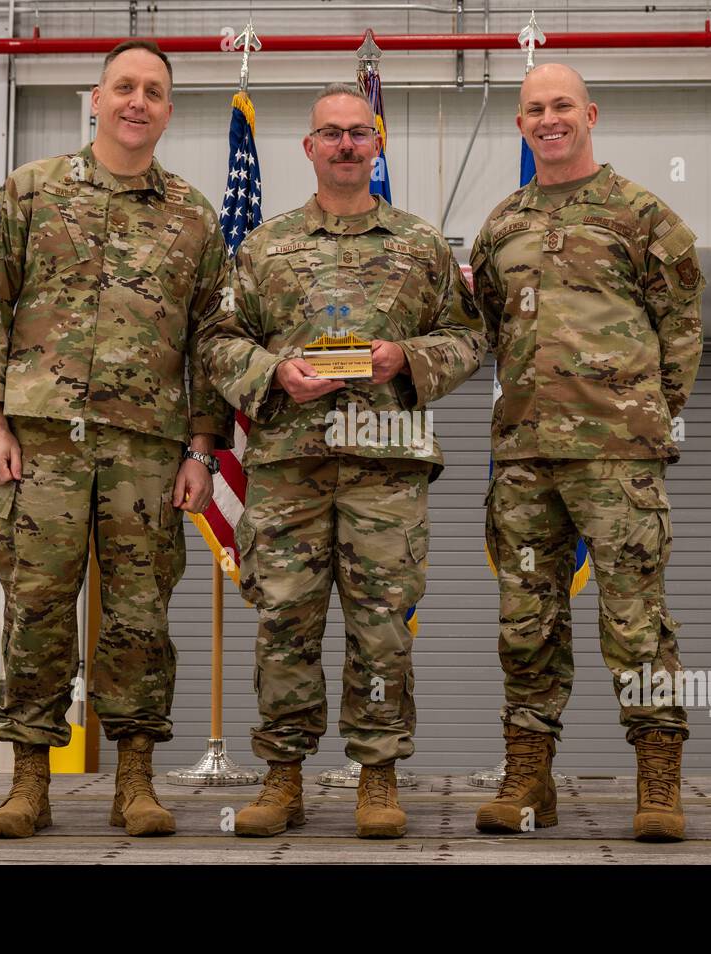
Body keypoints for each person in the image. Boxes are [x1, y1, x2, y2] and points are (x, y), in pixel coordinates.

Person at [0, 40, 232, 838]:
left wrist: (203, 449)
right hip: (40, 442)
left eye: (152, 90)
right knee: (36, 607)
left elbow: (213, 337)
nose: (136, 101)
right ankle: (29, 783)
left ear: (168, 111)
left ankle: (136, 782)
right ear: (96, 98)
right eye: (123, 87)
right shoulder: (31, 192)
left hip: (149, 451)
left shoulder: (192, 215)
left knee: (140, 616)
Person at [198, 83, 486, 839]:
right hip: (289, 465)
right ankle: (283, 776)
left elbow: (468, 338)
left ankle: (378, 778)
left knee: (382, 627)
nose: (347, 145)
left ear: (378, 143)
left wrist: (406, 357)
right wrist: (274, 375)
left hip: (386, 467)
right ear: (310, 148)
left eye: (360, 133)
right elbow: (218, 341)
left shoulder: (421, 245)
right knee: (285, 622)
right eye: (332, 133)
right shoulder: (263, 247)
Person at [470, 63, 705, 841]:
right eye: (534, 109)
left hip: (617, 458)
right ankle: (529, 779)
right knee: (524, 621)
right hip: (525, 457)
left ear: (590, 113)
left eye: (561, 104)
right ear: (521, 124)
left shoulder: (642, 213)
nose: (549, 118)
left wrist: (650, 417)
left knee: (636, 620)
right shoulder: (501, 223)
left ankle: (658, 778)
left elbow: (681, 326)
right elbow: (490, 328)